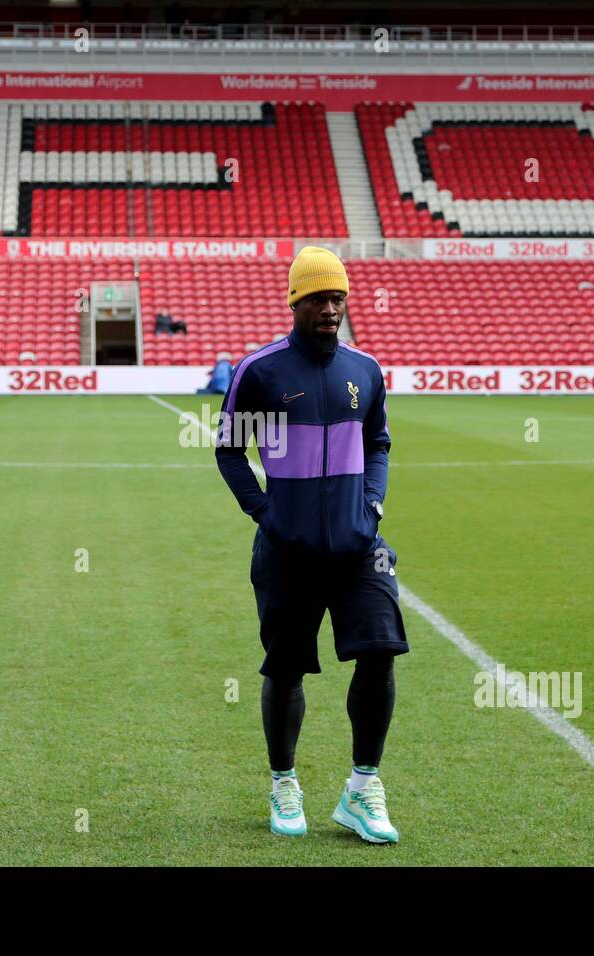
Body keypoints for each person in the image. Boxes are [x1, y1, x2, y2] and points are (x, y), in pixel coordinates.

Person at [214, 245, 407, 844]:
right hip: (288, 550)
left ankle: (362, 788)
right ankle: (284, 783)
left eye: (338, 297)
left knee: (380, 651)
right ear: (295, 301)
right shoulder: (261, 370)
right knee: (287, 669)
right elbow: (228, 448)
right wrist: (265, 512)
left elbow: (379, 443)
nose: (331, 308)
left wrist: (372, 503)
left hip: (359, 545)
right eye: (319, 298)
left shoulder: (365, 369)